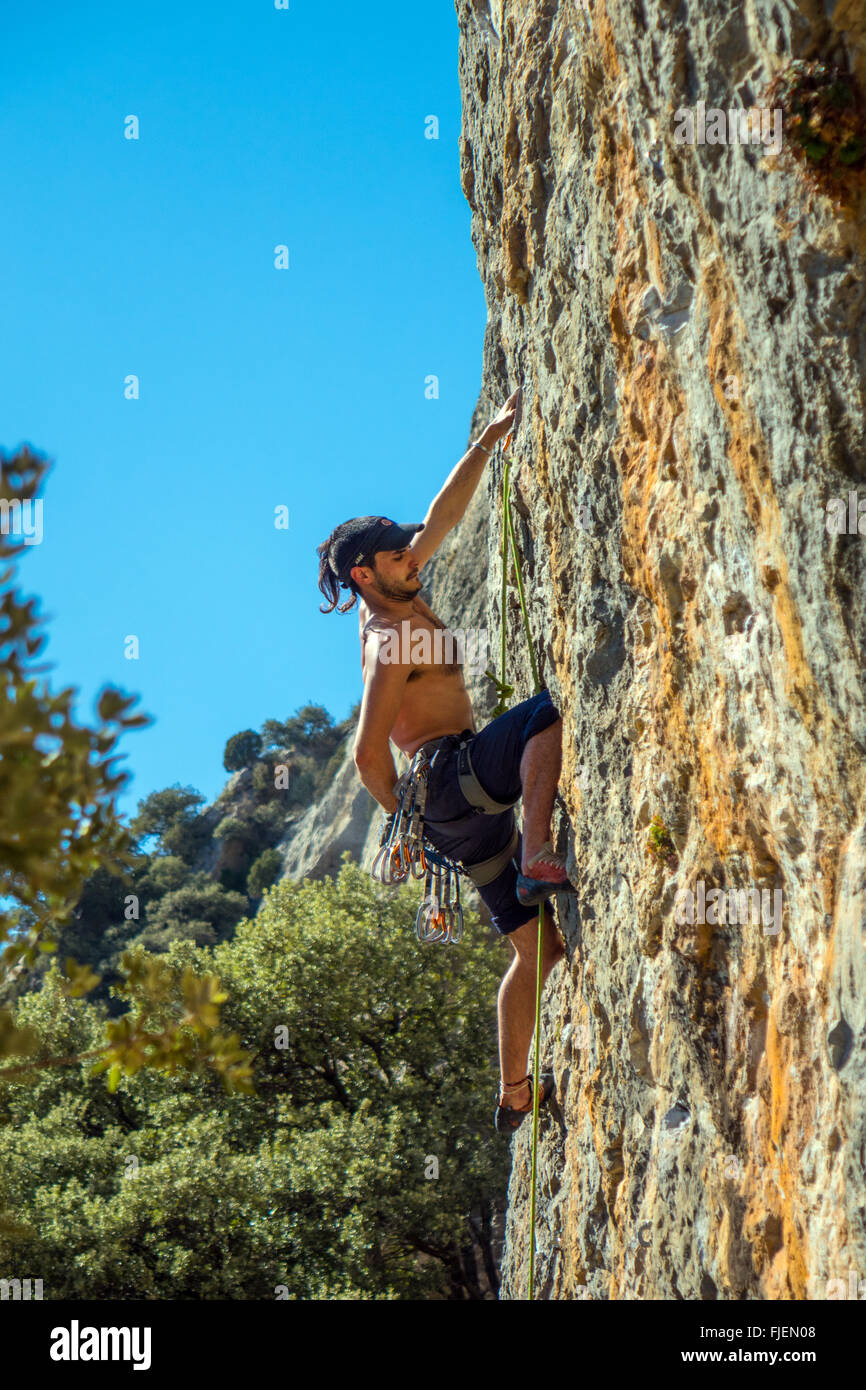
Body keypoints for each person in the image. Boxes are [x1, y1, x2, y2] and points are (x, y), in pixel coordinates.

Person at [315, 388, 574, 1133]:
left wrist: (487, 443)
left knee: (541, 949)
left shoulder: (400, 588)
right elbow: (368, 755)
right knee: (547, 713)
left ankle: (514, 1089)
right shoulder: (386, 642)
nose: (413, 553)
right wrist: (408, 820)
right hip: (451, 782)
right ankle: (536, 850)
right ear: (366, 574)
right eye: (398, 553)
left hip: (455, 815)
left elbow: (445, 514)